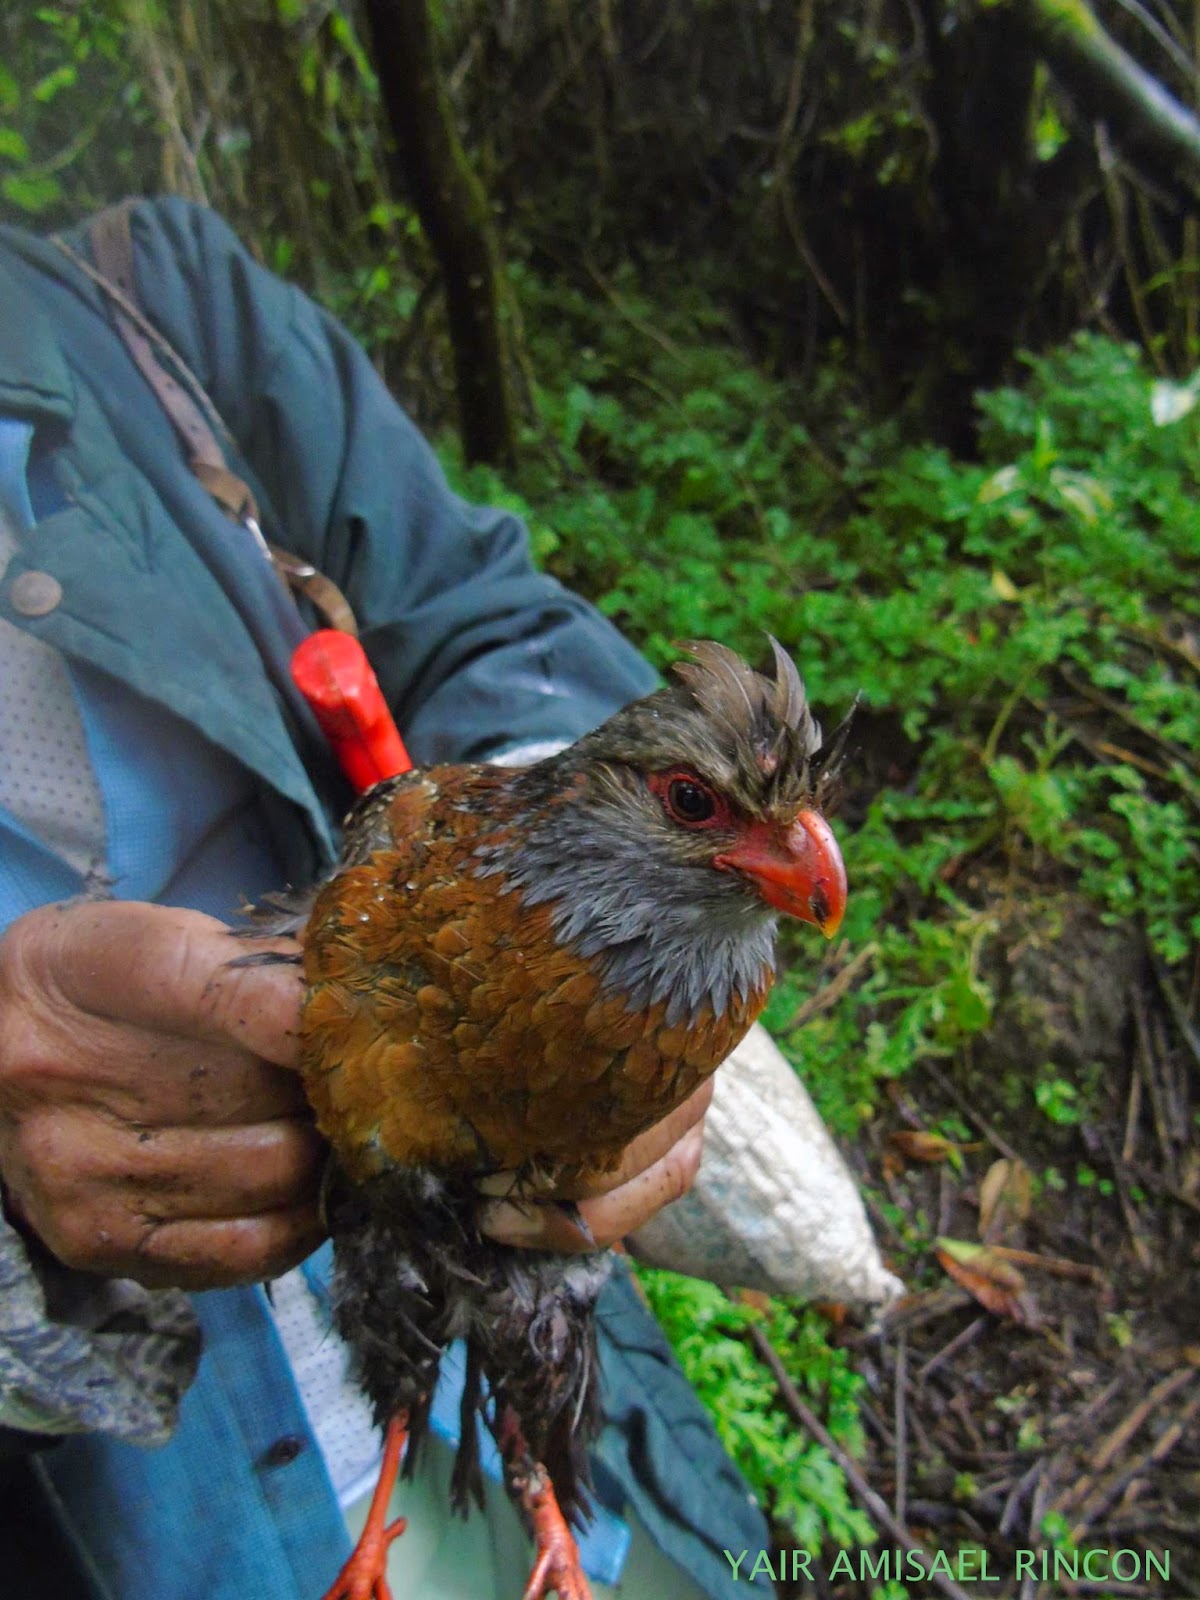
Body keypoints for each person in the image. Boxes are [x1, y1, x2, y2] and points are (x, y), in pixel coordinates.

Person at [0, 197, 773, 1600]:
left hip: (557, 1380)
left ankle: (553, 1522)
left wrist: (598, 910)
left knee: (538, 1346)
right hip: (126, 1519)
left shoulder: (145, 295)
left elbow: (483, 612)